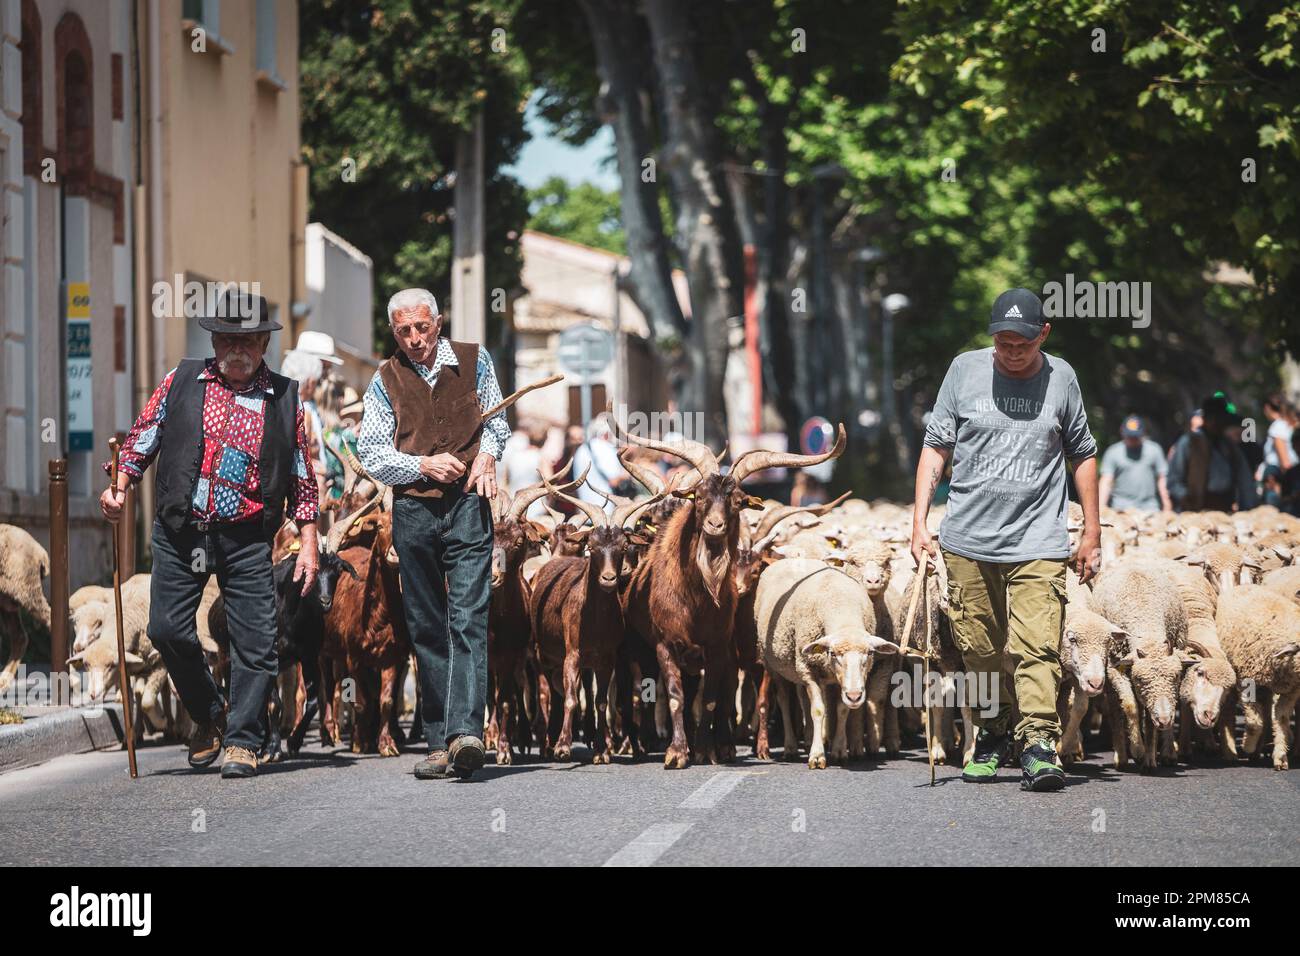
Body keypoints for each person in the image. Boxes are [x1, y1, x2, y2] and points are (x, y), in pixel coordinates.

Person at [99, 291, 319, 779]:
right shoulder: (181, 381)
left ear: (264, 344)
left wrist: (308, 542)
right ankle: (210, 713)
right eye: (226, 340)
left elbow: (303, 475)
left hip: (247, 535)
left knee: (255, 642)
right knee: (166, 630)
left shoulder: (284, 398)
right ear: (214, 341)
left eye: (246, 341)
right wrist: (118, 488)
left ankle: (243, 740)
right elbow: (141, 439)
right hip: (182, 532)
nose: (235, 351)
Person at [912, 288, 1100, 792]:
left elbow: (1082, 452)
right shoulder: (964, 370)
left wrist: (1092, 529)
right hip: (968, 539)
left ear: (1044, 334)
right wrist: (919, 523)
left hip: (1038, 538)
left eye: (1022, 342)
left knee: (1036, 646)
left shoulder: (1062, 378)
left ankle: (1040, 743)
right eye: (1002, 341)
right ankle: (995, 733)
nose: (1011, 351)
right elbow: (936, 447)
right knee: (979, 647)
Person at [357, 288, 510, 781]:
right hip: (414, 512)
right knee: (426, 623)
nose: (415, 338)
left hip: (468, 504)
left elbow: (497, 419)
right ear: (394, 332)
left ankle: (467, 733)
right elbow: (372, 451)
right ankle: (442, 740)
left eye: (422, 327)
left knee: (469, 614)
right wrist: (420, 464)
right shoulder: (384, 380)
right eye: (404, 331)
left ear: (437, 322)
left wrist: (486, 456)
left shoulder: (473, 359)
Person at [1167, 394, 1258, 512]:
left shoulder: (1229, 446)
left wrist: (1247, 509)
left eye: (1221, 419)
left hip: (1223, 507)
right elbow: (1174, 480)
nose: (1218, 423)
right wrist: (1185, 497)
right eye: (1214, 418)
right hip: (1195, 509)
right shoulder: (1188, 443)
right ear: (1206, 419)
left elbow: (1244, 480)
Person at [1098, 415, 1172, 512]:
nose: (1132, 439)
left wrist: (1167, 505)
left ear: (1143, 433)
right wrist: (1100, 508)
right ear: (1122, 432)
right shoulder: (1113, 452)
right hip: (1121, 508)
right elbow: (1106, 482)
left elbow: (1162, 479)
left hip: (1150, 508)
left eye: (1135, 436)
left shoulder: (1154, 450)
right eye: (1129, 436)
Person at [572, 413, 630, 511]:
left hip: (584, 511)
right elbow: (614, 481)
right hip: (604, 510)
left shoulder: (581, 450)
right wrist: (627, 474)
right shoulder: (606, 449)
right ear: (607, 433)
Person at [1259, 394, 1296, 507]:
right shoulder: (1286, 424)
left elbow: (1284, 459)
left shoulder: (1278, 427)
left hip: (1277, 477)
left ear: (1267, 408)